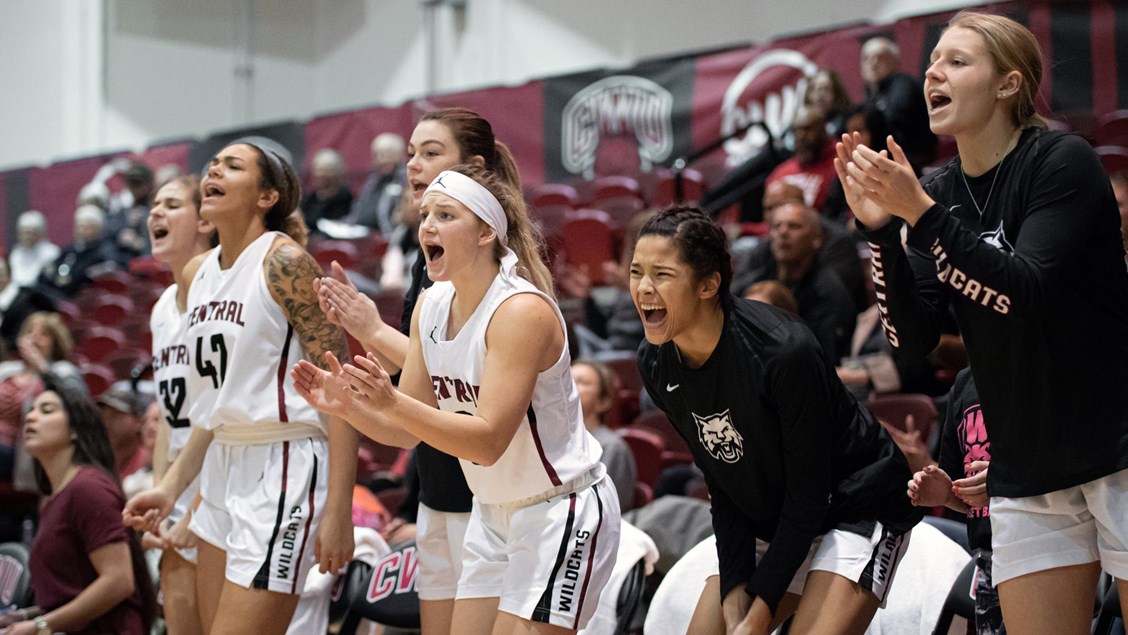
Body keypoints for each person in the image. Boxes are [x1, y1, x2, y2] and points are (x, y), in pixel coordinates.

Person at [837, 11, 1128, 632]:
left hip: (1117, 444)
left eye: (957, 61)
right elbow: (910, 341)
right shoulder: (937, 191)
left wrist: (920, 213)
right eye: (932, 61)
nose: (933, 73)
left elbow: (1025, 291)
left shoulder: (1061, 161)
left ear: (1008, 85)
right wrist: (884, 233)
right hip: (1026, 466)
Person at [293, 165, 620, 633]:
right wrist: (346, 406)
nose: (427, 225)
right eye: (426, 214)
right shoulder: (431, 303)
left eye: (446, 215)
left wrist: (389, 402)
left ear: (487, 230)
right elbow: (407, 431)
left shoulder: (519, 311)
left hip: (558, 509)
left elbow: (488, 442)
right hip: (491, 513)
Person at [630, 206, 922, 635]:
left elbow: (809, 493)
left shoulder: (784, 351)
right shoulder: (656, 362)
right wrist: (734, 591)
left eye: (662, 274)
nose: (643, 288)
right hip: (779, 518)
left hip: (858, 503)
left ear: (709, 283)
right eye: (637, 272)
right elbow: (724, 484)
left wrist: (761, 607)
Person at [122, 139, 358, 635]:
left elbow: (342, 391)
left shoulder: (285, 262)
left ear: (266, 195)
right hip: (221, 465)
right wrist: (169, 488)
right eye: (212, 165)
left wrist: (339, 509)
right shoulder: (197, 274)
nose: (214, 171)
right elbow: (211, 411)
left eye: (232, 166)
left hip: (284, 462)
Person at [309, 107, 521, 634]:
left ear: (474, 169)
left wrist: (371, 327)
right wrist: (349, 402)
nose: (413, 166)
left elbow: (458, 376)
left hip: (498, 497)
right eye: (410, 155)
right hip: (438, 489)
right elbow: (417, 404)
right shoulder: (431, 276)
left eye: (431, 153)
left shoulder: (507, 285)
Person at [0, 377, 155, 635]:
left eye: (47, 411)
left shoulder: (88, 489)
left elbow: (119, 581)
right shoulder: (52, 496)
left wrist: (41, 625)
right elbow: (71, 592)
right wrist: (26, 615)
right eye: (32, 410)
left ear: (75, 429)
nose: (31, 417)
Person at [142, 173, 215, 635]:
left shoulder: (222, 294)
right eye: (154, 205)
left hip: (223, 488)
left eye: (171, 204)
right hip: (180, 493)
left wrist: (196, 510)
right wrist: (159, 500)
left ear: (205, 220)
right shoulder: (163, 306)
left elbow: (226, 410)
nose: (155, 213)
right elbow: (169, 421)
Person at [907, 369, 1003, 633]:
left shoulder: (1034, 363)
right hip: (988, 557)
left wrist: (1004, 481)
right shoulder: (965, 382)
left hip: (1038, 544)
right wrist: (946, 494)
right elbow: (965, 492)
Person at [739, 202, 856, 362]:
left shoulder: (829, 292)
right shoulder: (753, 281)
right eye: (776, 226)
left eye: (794, 226)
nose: (783, 232)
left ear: (816, 239)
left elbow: (823, 359)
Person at [861, 37, 937, 171]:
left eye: (880, 57)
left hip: (915, 165)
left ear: (895, 61)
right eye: (866, 58)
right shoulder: (872, 92)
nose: (872, 63)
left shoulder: (903, 84)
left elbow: (895, 121)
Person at [572, 359, 638, 509]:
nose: (570, 386)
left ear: (603, 402)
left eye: (582, 382)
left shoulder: (612, 447)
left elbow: (608, 507)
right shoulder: (552, 441)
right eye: (567, 379)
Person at [38, 205, 121, 298]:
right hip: (57, 293)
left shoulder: (105, 252)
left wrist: (73, 279)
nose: (83, 230)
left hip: (82, 298)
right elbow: (51, 268)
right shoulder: (69, 250)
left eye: (88, 227)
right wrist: (55, 277)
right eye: (80, 226)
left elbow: (94, 274)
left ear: (99, 229)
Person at [349, 133, 408, 236]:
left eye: (387, 154)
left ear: (400, 155)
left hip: (388, 237)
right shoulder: (373, 179)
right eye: (377, 155)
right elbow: (358, 207)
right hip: (361, 233)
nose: (382, 160)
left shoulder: (407, 180)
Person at [300, 149, 354, 232]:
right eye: (317, 169)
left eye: (326, 170)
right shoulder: (310, 199)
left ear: (337, 174)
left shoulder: (345, 200)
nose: (319, 174)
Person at [8, 211, 60, 289]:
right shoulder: (15, 254)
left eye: (30, 233)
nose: (26, 237)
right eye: (23, 233)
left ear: (40, 233)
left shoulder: (52, 253)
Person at [803, 69, 852, 138]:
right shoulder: (799, 127)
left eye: (826, 89)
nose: (820, 96)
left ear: (836, 95)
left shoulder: (848, 123)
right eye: (816, 89)